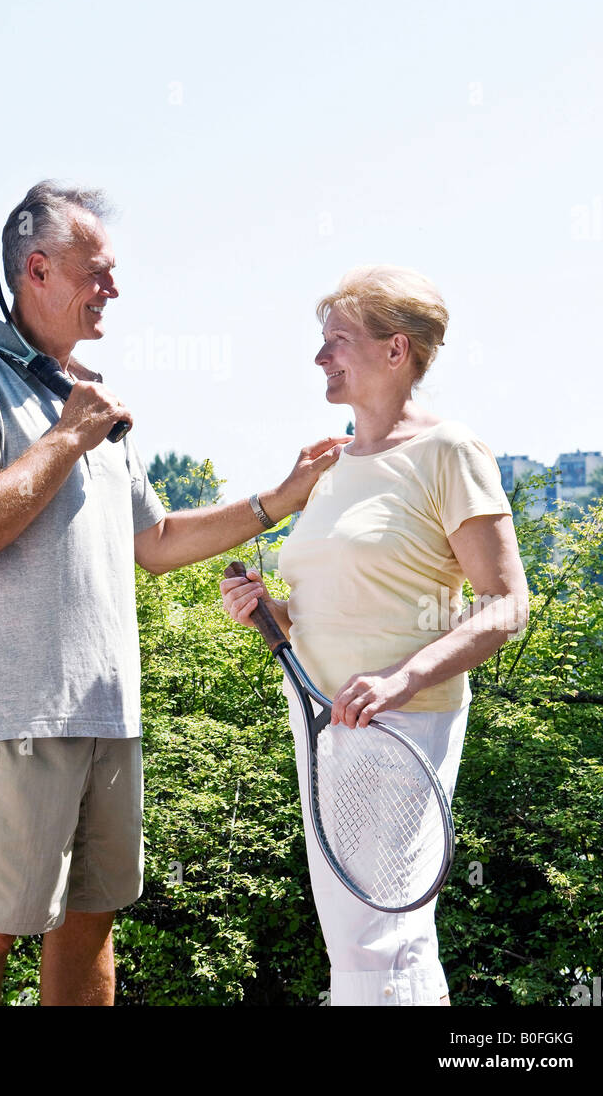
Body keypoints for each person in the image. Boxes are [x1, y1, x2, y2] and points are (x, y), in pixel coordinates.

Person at [0, 180, 348, 1006]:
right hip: (13, 718)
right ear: (37, 269)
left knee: (91, 927)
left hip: (107, 713)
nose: (113, 289)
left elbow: (155, 541)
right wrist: (70, 435)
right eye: (97, 272)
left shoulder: (87, 396)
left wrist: (277, 501)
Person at [220, 264, 529, 1007]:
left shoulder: (449, 452)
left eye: (337, 342)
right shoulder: (326, 468)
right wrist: (270, 612)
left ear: (397, 351)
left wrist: (402, 679)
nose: (320, 358)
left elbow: (507, 603)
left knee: (383, 938)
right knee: (352, 936)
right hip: (321, 719)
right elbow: (326, 609)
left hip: (403, 721)